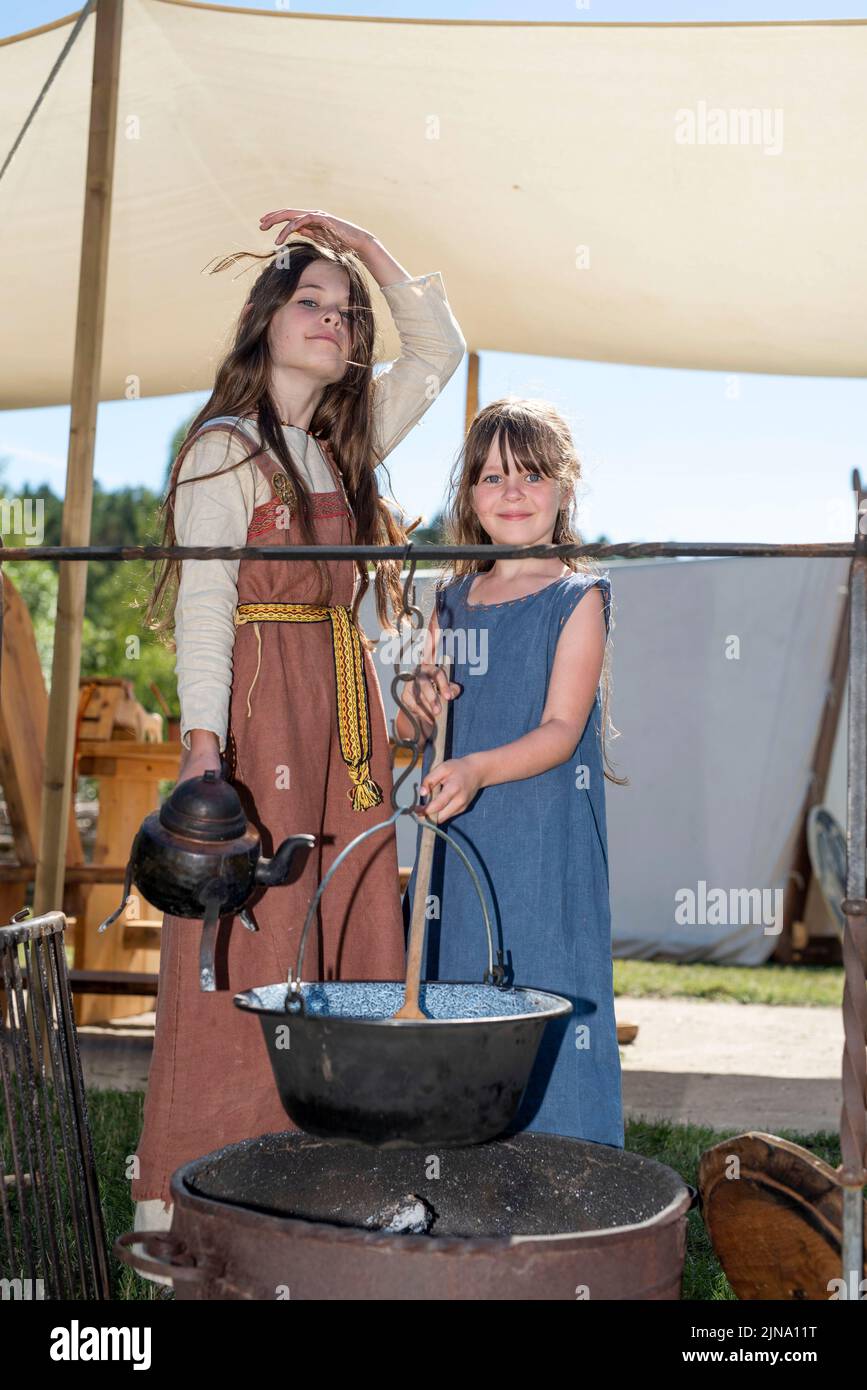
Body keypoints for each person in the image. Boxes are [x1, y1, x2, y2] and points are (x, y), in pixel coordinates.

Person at [130, 209, 466, 1268]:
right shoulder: (222, 450)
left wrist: (364, 247)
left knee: (352, 934)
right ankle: (213, 1193)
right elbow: (205, 606)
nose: (332, 320)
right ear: (266, 319)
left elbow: (442, 352)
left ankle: (337, 1187)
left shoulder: (342, 447)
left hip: (344, 727)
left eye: (346, 312)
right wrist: (201, 747)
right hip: (262, 720)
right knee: (257, 946)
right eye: (311, 301)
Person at [400, 397, 626, 1149]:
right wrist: (418, 698)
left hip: (539, 834)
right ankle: (458, 1159)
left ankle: (567, 1167)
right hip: (461, 838)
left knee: (543, 981)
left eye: (532, 474)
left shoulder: (577, 598)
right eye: (492, 476)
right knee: (457, 978)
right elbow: (421, 720)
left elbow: (561, 731)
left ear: (564, 488)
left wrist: (476, 768)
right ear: (468, 495)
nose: (512, 491)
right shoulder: (448, 599)